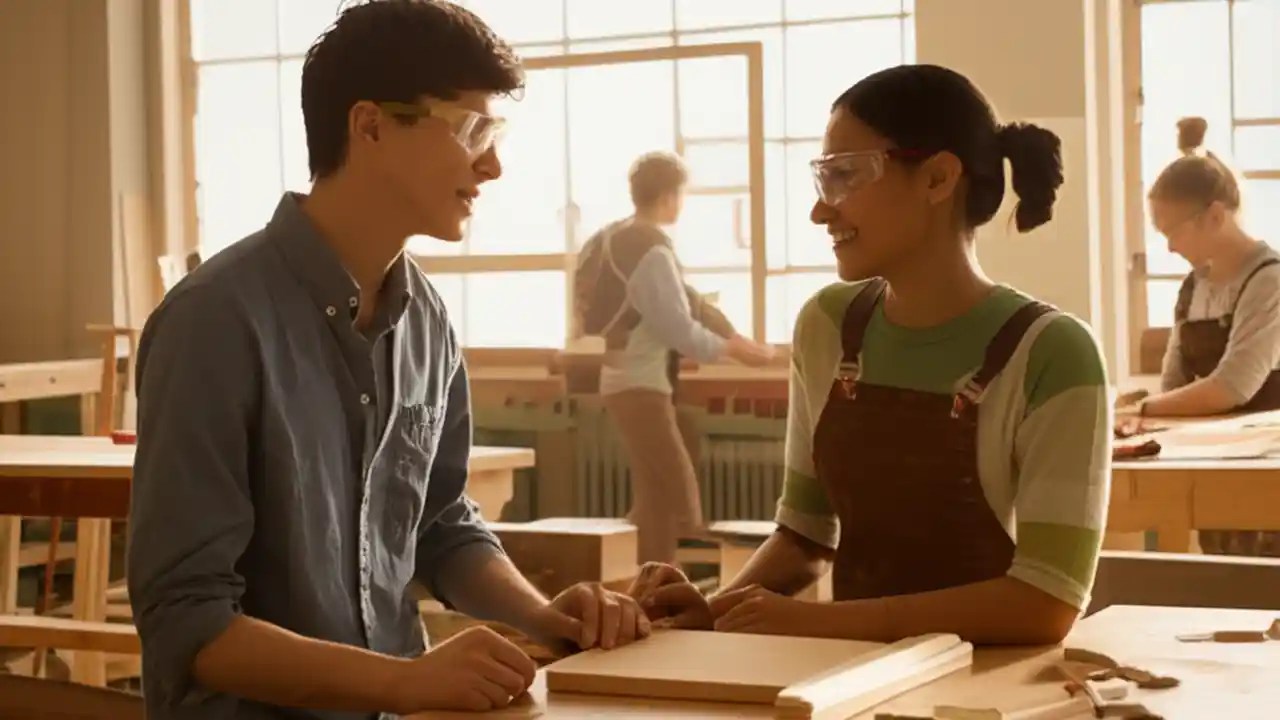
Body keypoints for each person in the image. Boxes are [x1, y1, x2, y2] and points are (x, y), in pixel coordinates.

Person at [127, 3, 648, 718]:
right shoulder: (213, 321)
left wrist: (543, 619)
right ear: (369, 124)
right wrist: (405, 679)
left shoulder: (426, 318)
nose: (492, 165)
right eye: (471, 129)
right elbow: (189, 625)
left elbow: (440, 524)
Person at [629, 64, 1111, 646]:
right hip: (846, 682)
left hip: (990, 691)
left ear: (937, 177)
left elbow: (1045, 602)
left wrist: (820, 623)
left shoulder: (1054, 353)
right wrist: (711, 612)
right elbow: (804, 538)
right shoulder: (827, 325)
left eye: (847, 177)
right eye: (822, 180)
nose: (821, 210)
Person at [573, 151, 775, 565]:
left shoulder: (617, 237)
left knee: (655, 499)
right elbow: (677, 326)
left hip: (627, 379)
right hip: (639, 383)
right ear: (669, 196)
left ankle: (652, 583)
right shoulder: (650, 250)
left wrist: (735, 338)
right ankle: (709, 576)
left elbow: (689, 304)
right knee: (681, 493)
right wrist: (731, 350)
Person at [1132, 117, 1280, 557]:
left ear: (1215, 216)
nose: (1170, 248)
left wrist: (1140, 408)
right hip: (1212, 463)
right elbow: (1175, 384)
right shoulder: (1192, 288)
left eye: (1171, 232)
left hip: (1267, 471)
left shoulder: (1268, 281)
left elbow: (1233, 385)